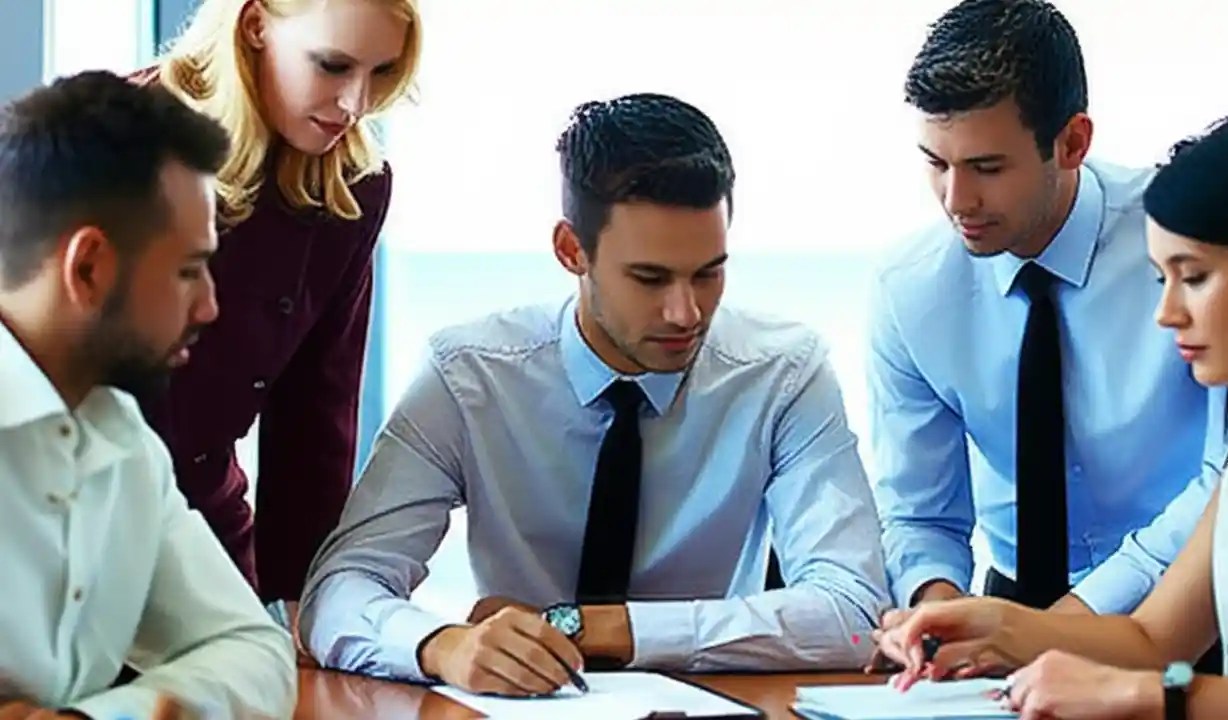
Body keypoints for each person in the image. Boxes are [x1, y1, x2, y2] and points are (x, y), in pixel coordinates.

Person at [299, 92, 891, 695]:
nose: (687, 312)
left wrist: (586, 628)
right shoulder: (468, 376)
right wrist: (444, 645)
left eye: (709, 272)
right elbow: (338, 593)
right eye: (650, 277)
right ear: (570, 250)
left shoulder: (784, 376)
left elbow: (856, 612)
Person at [873, 110, 1228, 720]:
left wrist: (1145, 695)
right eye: (1159, 278)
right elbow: (1152, 640)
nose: (1165, 313)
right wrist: (992, 624)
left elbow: (1154, 671)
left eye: (1193, 277)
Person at [868, 0, 1225, 623]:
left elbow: (1227, 474)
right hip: (1010, 603)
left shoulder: (1181, 242)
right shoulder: (910, 291)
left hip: (1190, 603)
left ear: (1072, 142)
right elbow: (920, 513)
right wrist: (938, 611)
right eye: (936, 163)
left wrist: (1066, 624)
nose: (957, 200)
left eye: (986, 167)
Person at [0, 71, 295, 720]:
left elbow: (254, 649)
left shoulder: (125, 442)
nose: (212, 306)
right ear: (89, 268)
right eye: (189, 270)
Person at [134, 0, 422, 603]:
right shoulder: (110, 140)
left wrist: (299, 608)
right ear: (255, 23)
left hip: (207, 538)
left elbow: (318, 420)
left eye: (381, 72)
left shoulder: (353, 187)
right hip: (58, 528)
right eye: (333, 65)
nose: (355, 104)